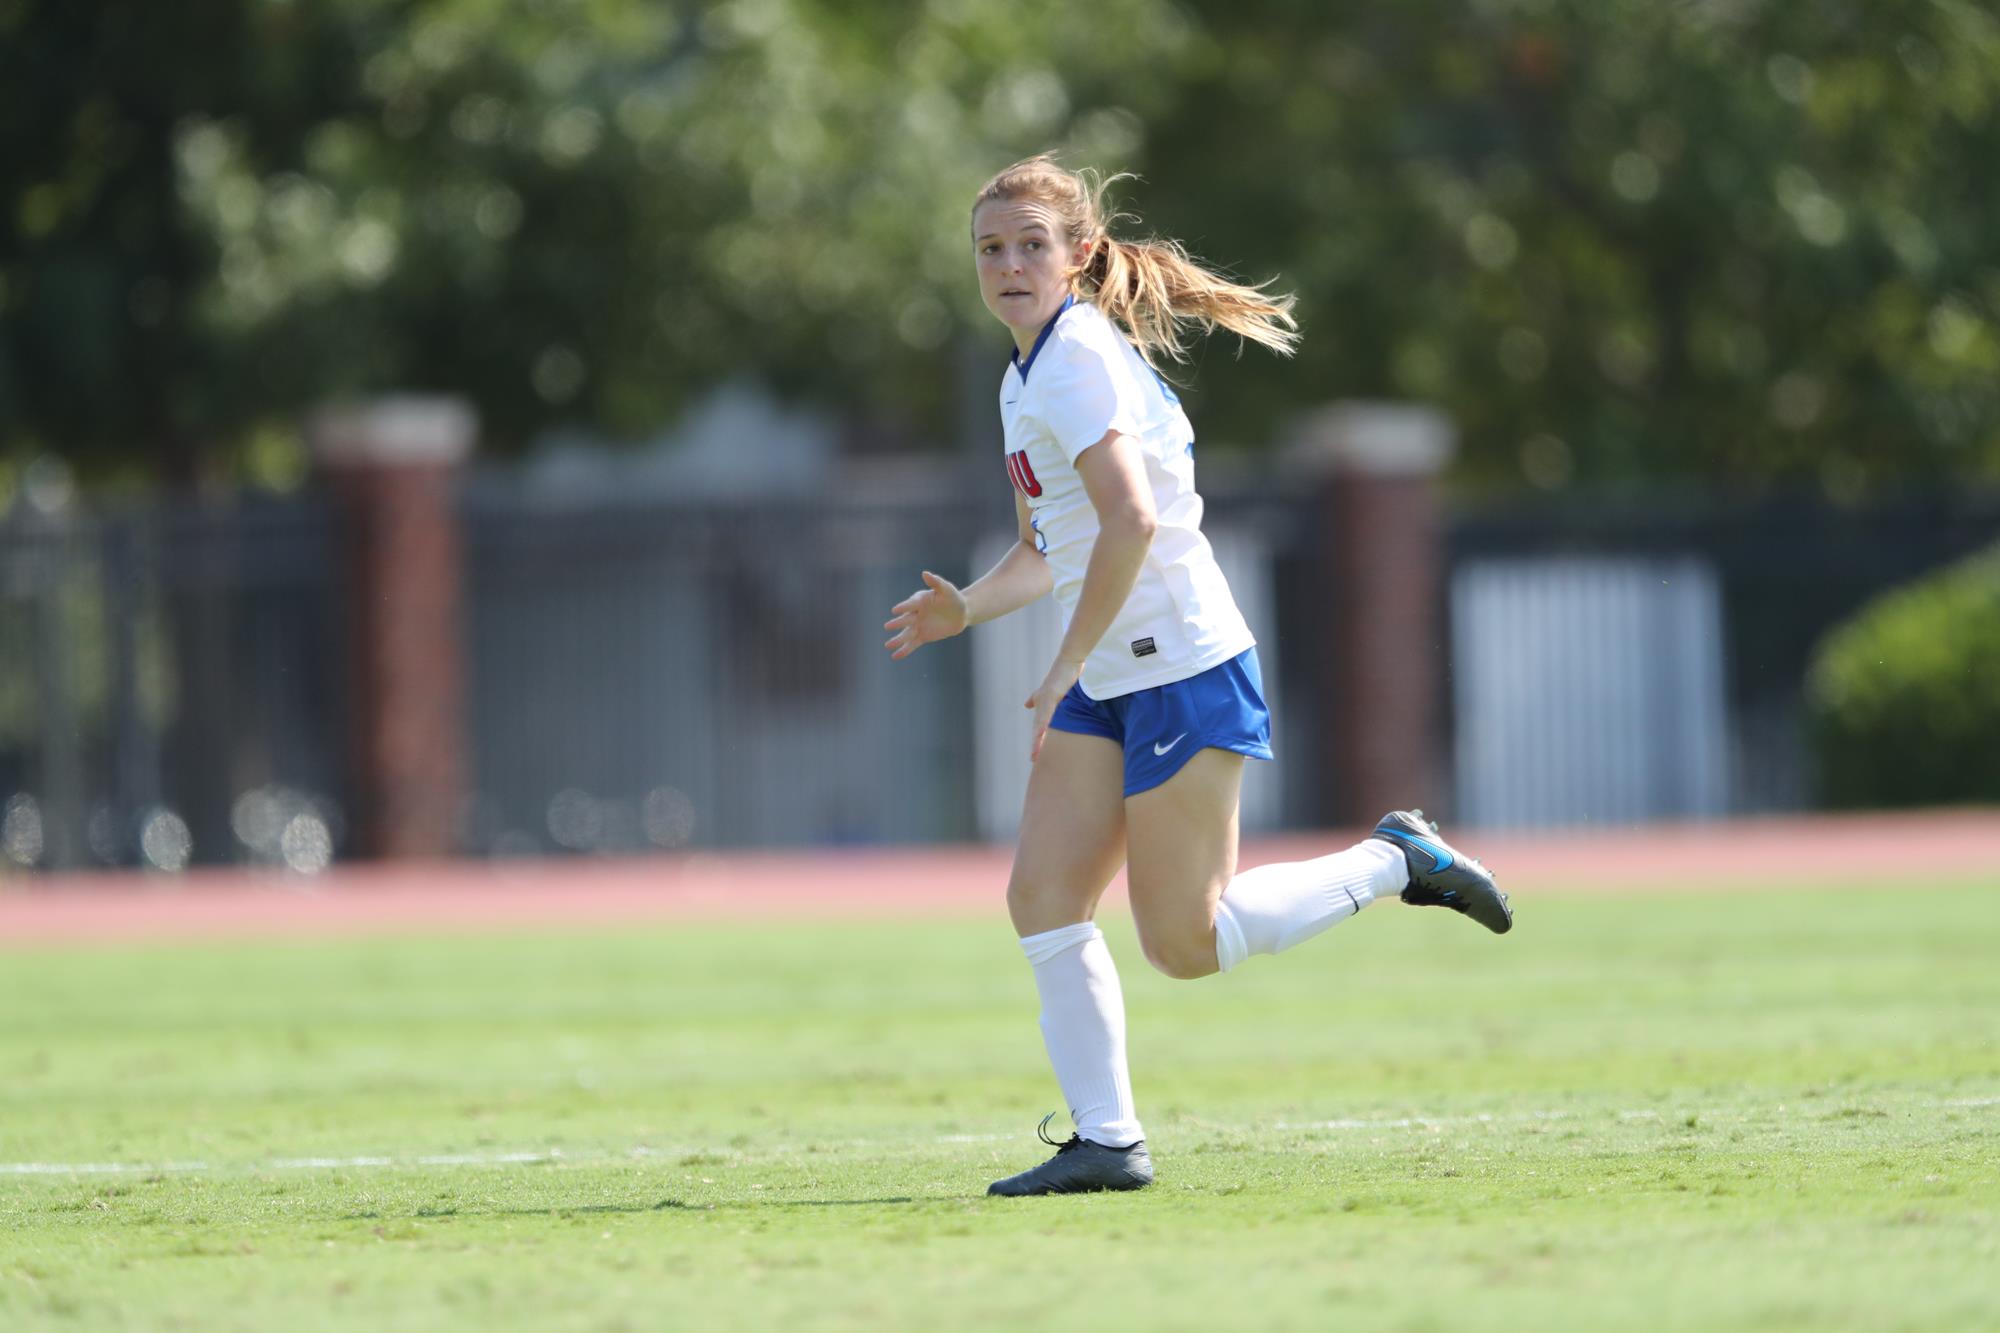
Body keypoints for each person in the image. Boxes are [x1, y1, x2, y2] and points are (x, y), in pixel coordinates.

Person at [883, 154, 1512, 1197]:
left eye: (1032, 244)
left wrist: (1063, 660)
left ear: (1079, 254)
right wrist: (968, 607)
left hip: (1179, 663)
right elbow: (1048, 548)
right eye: (990, 248)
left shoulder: (1075, 358)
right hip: (1109, 670)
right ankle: (1107, 1140)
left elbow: (1131, 521)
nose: (1009, 264)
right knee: (1043, 897)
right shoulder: (1025, 372)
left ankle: (1394, 859)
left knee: (1186, 941)